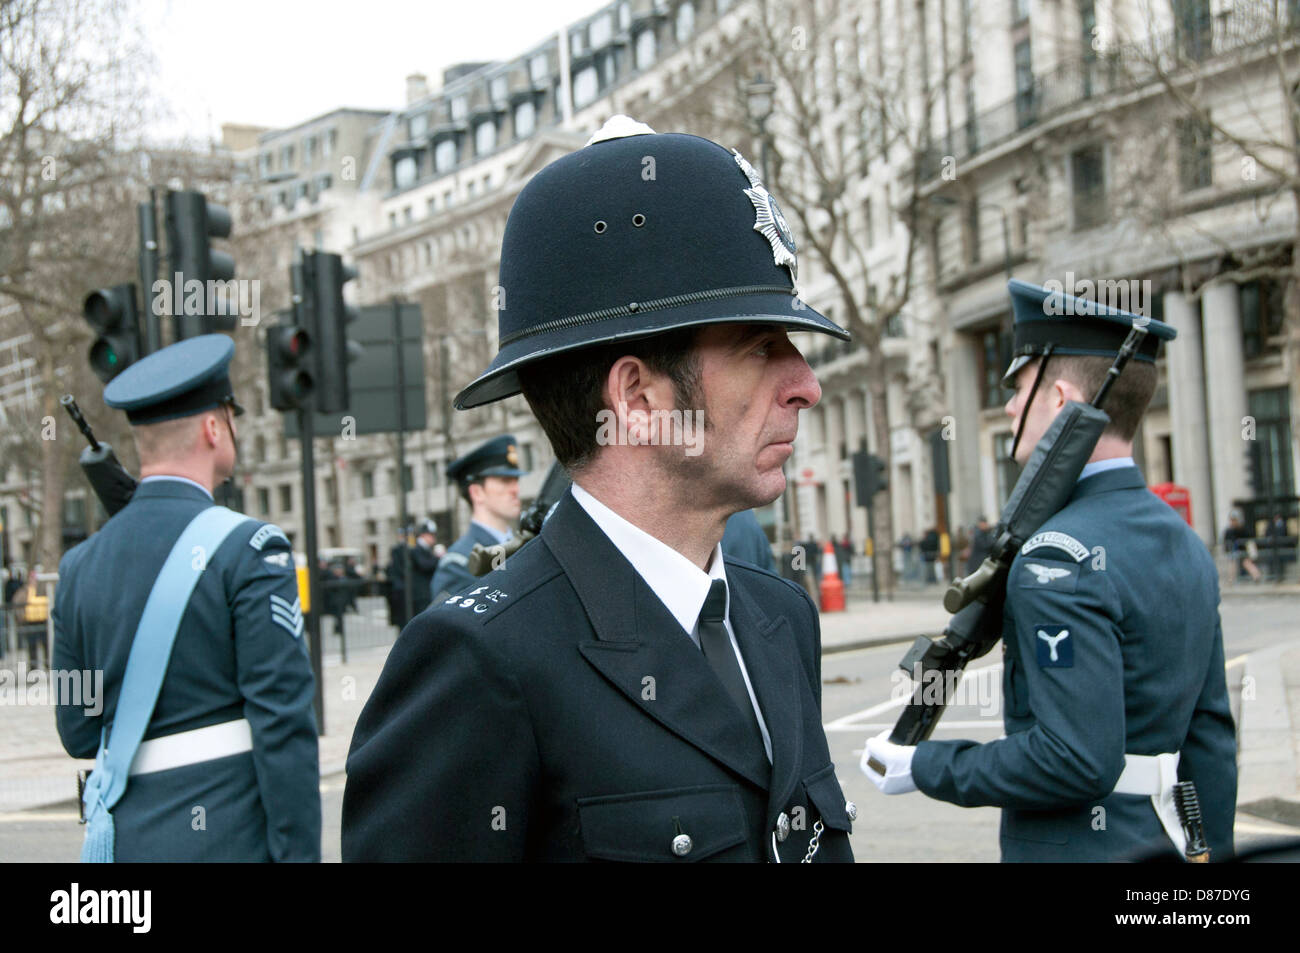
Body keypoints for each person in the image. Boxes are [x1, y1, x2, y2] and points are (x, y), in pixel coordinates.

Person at [343, 118, 857, 862]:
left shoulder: (779, 617)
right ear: (639, 398)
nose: (805, 383)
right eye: (760, 347)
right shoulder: (482, 662)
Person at [863, 278, 1237, 862]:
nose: (1010, 405)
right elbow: (1210, 737)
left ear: (1060, 400)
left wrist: (926, 765)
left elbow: (1073, 759)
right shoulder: (1184, 541)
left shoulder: (1057, 553)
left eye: (1018, 388)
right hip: (1169, 847)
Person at [52, 335, 320, 862]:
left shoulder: (78, 567)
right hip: (228, 841)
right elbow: (283, 726)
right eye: (231, 415)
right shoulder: (251, 549)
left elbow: (79, 731)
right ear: (213, 427)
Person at [429, 437, 527, 602]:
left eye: (515, 481)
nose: (515, 489)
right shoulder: (458, 564)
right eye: (505, 481)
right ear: (477, 492)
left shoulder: (524, 546)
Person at [407, 520, 440, 615]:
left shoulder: (426, 549)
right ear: (423, 535)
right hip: (420, 594)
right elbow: (425, 565)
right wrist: (438, 558)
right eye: (431, 535)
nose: (433, 538)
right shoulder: (416, 549)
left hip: (426, 592)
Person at [1223, 511, 1261, 583]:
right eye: (1232, 520)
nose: (1233, 522)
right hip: (1233, 551)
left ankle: (1256, 576)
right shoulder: (1229, 530)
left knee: (1247, 563)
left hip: (1244, 550)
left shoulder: (1241, 529)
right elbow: (1226, 541)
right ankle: (1231, 580)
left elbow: (1248, 539)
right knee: (1232, 564)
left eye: (1234, 520)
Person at [385, 528, 411, 629]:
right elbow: (399, 567)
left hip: (403, 586)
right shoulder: (397, 550)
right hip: (400, 587)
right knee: (402, 615)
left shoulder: (408, 548)